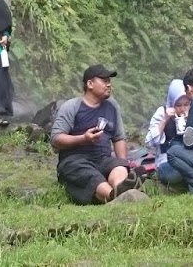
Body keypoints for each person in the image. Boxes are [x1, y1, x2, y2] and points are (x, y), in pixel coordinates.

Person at [50, 65, 139, 204]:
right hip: (75, 160)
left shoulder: (112, 106)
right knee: (90, 175)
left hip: (103, 159)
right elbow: (56, 139)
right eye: (104, 81)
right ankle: (114, 197)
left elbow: (119, 138)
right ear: (90, 84)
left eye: (109, 81)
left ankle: (121, 188)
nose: (108, 84)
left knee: (119, 167)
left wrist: (124, 163)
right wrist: (83, 139)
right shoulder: (71, 107)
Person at [145, 78, 187, 156]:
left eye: (186, 104)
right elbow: (149, 143)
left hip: (187, 156)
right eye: (178, 105)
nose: (182, 109)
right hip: (166, 157)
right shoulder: (162, 112)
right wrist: (165, 119)